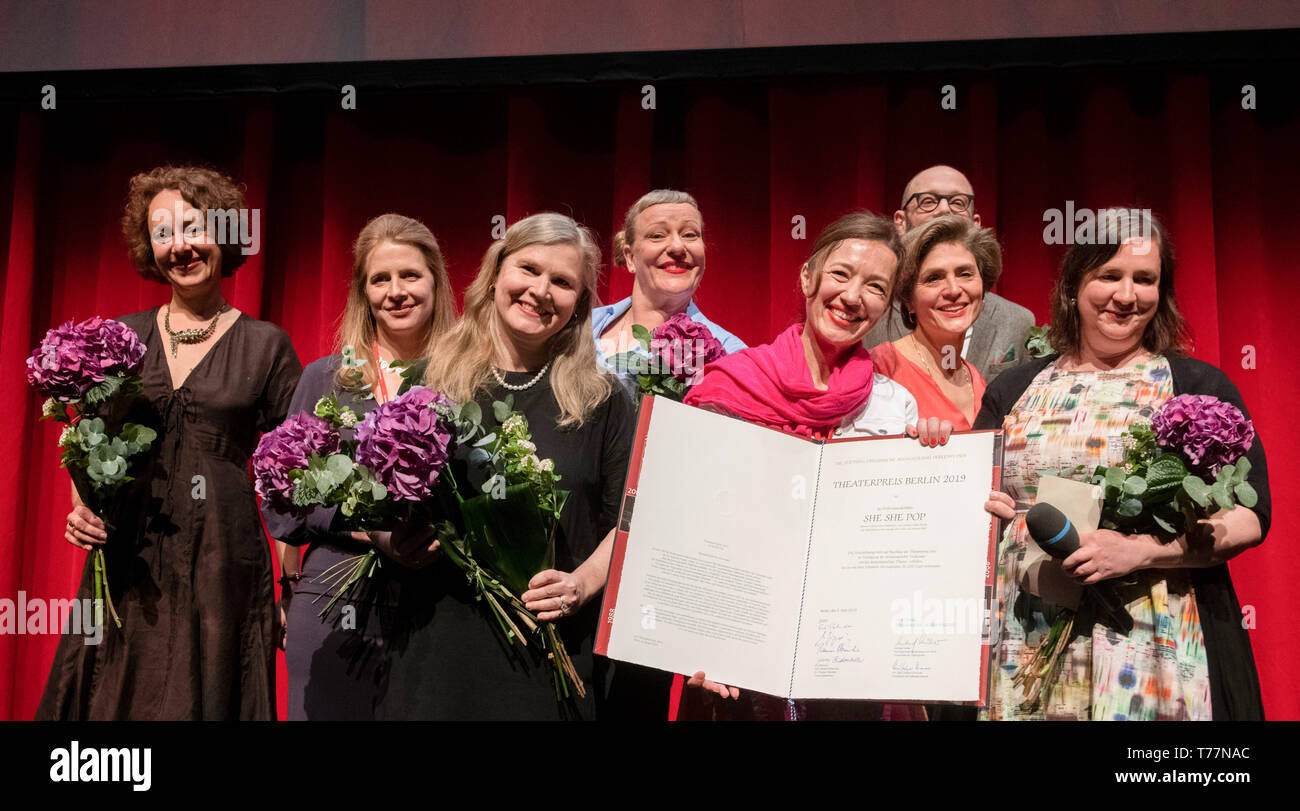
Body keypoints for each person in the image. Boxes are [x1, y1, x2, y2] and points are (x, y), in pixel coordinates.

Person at [977, 208, 1268, 720]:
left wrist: (1139, 551)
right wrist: (991, 513)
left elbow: (1250, 517)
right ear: (1073, 285)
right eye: (1109, 276)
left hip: (1156, 643)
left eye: (1145, 279)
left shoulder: (1198, 386)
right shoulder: (1013, 388)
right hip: (1026, 637)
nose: (1127, 295)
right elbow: (974, 501)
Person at [39, 165, 302, 720]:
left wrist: (289, 584)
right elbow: (87, 443)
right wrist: (80, 504)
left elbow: (289, 481)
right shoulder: (120, 338)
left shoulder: (266, 346)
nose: (179, 247)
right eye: (163, 234)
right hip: (129, 559)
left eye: (192, 228)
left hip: (223, 559)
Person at [677, 212, 963, 720]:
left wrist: (930, 462)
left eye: (875, 286)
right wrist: (703, 634)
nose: (853, 296)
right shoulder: (731, 384)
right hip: (740, 650)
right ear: (808, 277)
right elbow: (694, 523)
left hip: (849, 659)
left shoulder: (893, 405)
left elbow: (904, 545)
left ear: (888, 305)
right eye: (841, 275)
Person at [382, 212, 635, 720]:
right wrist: (395, 542)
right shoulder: (428, 383)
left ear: (579, 303)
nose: (541, 290)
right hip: (440, 647)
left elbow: (630, 520)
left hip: (551, 651)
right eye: (529, 269)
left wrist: (579, 586)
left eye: (562, 282)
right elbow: (393, 506)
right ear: (496, 273)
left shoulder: (602, 399)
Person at [261, 213, 456, 720]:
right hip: (331, 603)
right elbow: (282, 506)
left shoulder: (469, 380)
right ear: (363, 292)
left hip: (440, 606)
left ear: (435, 279)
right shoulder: (325, 379)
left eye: (410, 275)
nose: (396, 291)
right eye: (380, 279)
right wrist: (372, 531)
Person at [864, 165, 1034, 383]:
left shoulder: (1017, 322)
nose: (944, 209)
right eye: (927, 201)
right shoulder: (870, 316)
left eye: (957, 202)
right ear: (900, 222)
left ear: (976, 224)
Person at [593, 189, 746, 392]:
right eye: (657, 235)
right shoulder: (581, 327)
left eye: (690, 234)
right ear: (630, 258)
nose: (677, 246)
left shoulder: (730, 355)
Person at [870, 215, 1003, 430]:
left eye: (965, 274)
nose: (953, 290)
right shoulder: (881, 368)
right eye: (934, 278)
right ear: (908, 300)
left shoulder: (977, 381)